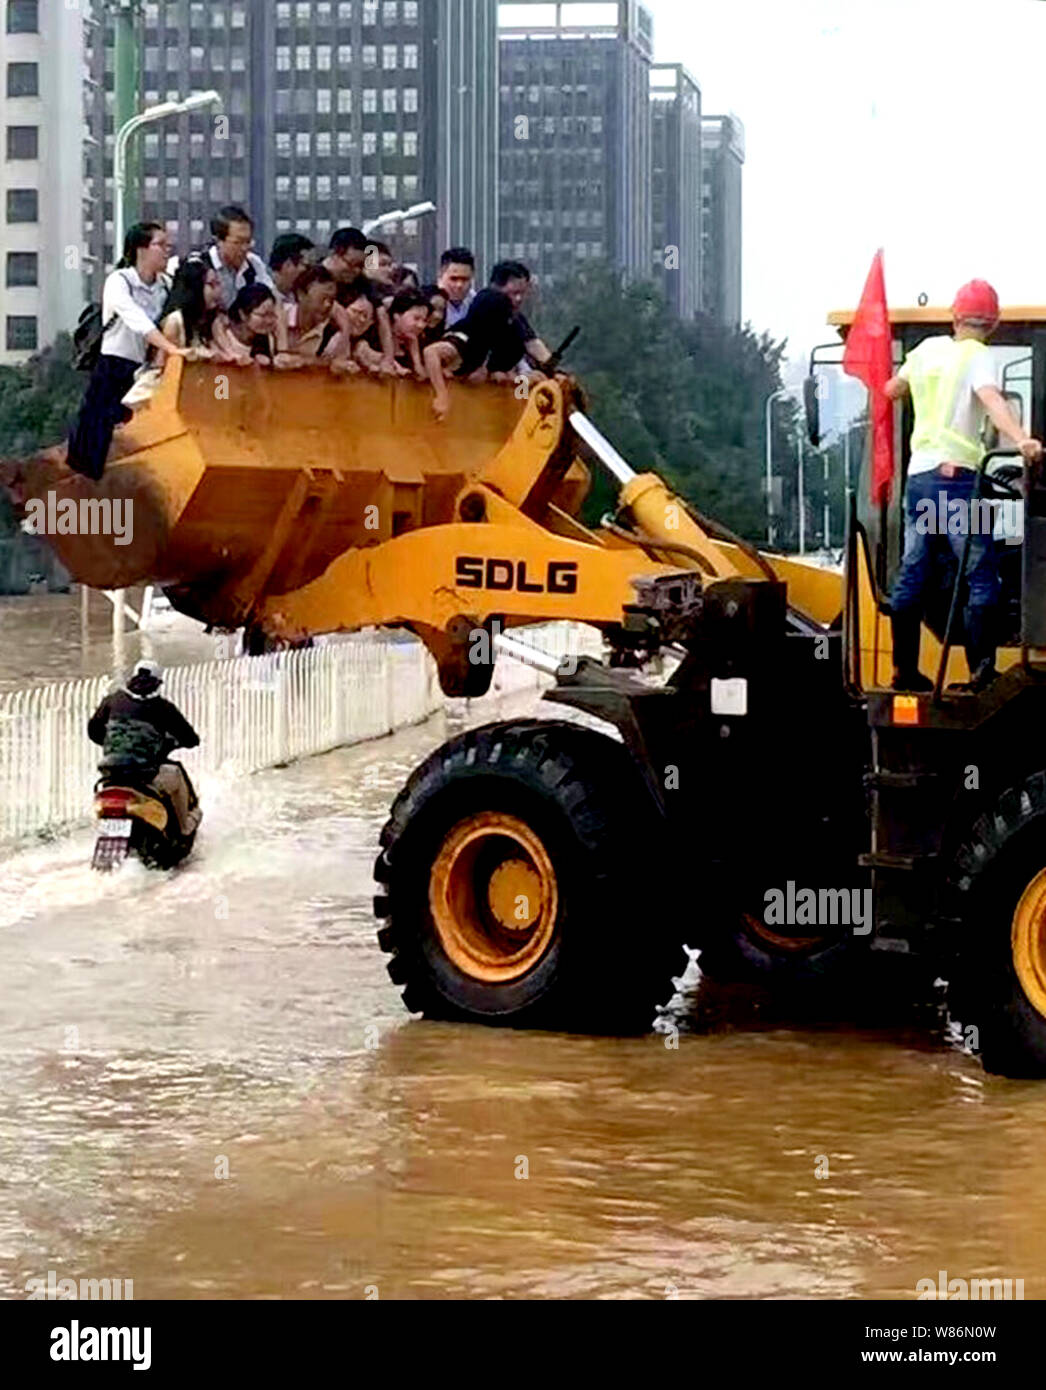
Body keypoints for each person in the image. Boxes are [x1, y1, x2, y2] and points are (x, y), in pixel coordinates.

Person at [884, 279, 1043, 692]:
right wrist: (1021, 438)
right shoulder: (977, 356)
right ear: (991, 324)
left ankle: (903, 669)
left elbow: (892, 389)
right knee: (981, 572)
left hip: (919, 481)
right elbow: (990, 399)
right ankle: (981, 672)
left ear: (955, 318)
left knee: (913, 572)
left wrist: (898, 384)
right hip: (955, 484)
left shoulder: (925, 351)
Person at [66, 222, 186, 480]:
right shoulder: (119, 281)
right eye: (160, 245)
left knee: (138, 433)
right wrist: (172, 349)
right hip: (114, 366)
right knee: (96, 433)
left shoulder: (165, 285)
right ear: (140, 249)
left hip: (146, 369)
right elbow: (138, 321)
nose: (167, 250)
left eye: (168, 245)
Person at [423, 260, 551, 419]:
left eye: (522, 293)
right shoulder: (465, 340)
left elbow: (531, 349)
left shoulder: (508, 338)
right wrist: (441, 396)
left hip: (490, 414)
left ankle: (520, 416)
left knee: (527, 380)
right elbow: (431, 353)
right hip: (452, 415)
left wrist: (552, 372)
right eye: (513, 293)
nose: (518, 299)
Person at [88, 659, 200, 835]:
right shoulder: (163, 707)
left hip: (110, 772)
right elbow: (190, 739)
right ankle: (183, 827)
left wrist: (115, 744)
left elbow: (93, 731)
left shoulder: (112, 700)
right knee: (176, 775)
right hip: (145, 773)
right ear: (158, 683)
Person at [206, 204, 274, 311]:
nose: (244, 248)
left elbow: (272, 299)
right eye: (238, 242)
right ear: (218, 240)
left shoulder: (253, 263)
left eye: (248, 242)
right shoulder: (200, 267)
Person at [159, 256, 222, 356]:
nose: (218, 291)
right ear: (195, 287)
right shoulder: (174, 321)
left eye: (218, 284)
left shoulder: (210, 319)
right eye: (211, 285)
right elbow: (163, 362)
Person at [213, 284, 288, 366]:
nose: (269, 320)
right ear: (243, 314)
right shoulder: (223, 338)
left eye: (272, 315)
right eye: (263, 315)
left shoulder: (269, 338)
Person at [284, 264, 341, 362]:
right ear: (301, 294)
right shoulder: (275, 319)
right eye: (322, 299)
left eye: (331, 300)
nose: (327, 305)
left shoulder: (331, 333)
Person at [329, 278, 378, 376]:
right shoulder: (330, 336)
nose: (362, 320)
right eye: (356, 312)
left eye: (366, 317)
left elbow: (374, 356)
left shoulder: (361, 345)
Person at [269, 232, 314, 314]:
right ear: (288, 264)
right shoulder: (262, 298)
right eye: (306, 266)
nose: (310, 271)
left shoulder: (301, 296)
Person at [437, 247, 476, 327]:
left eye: (465, 279)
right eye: (453, 279)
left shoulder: (475, 301)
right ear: (441, 274)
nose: (459, 285)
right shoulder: (429, 301)